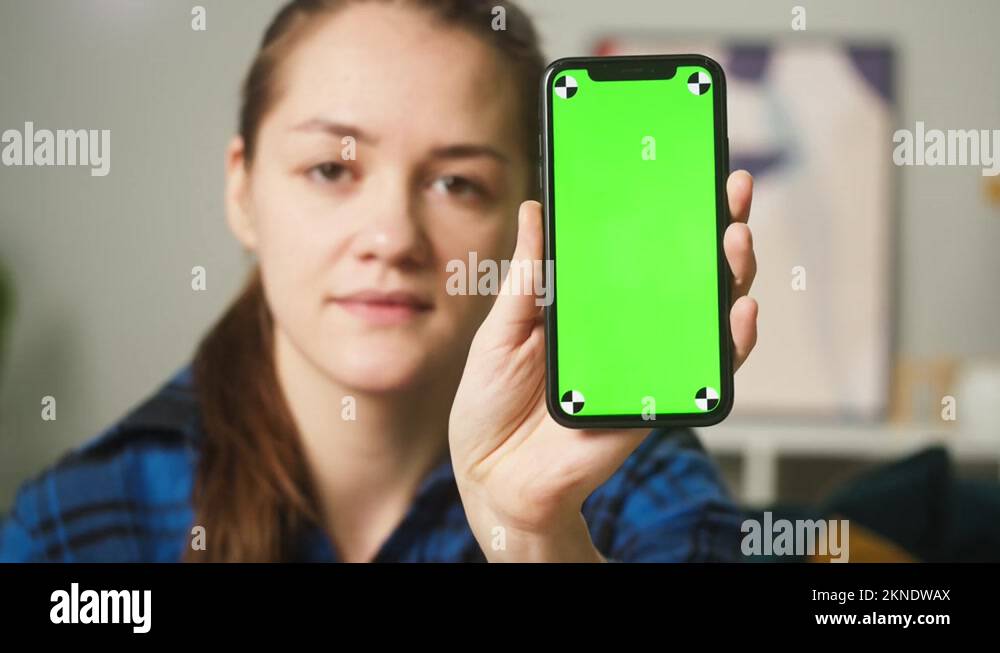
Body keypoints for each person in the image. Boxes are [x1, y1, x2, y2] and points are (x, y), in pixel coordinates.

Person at [0, 0, 759, 562]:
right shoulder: (75, 522)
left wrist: (534, 535)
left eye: (458, 183)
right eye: (331, 168)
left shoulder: (637, 481)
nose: (393, 237)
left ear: (530, 217)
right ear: (243, 191)